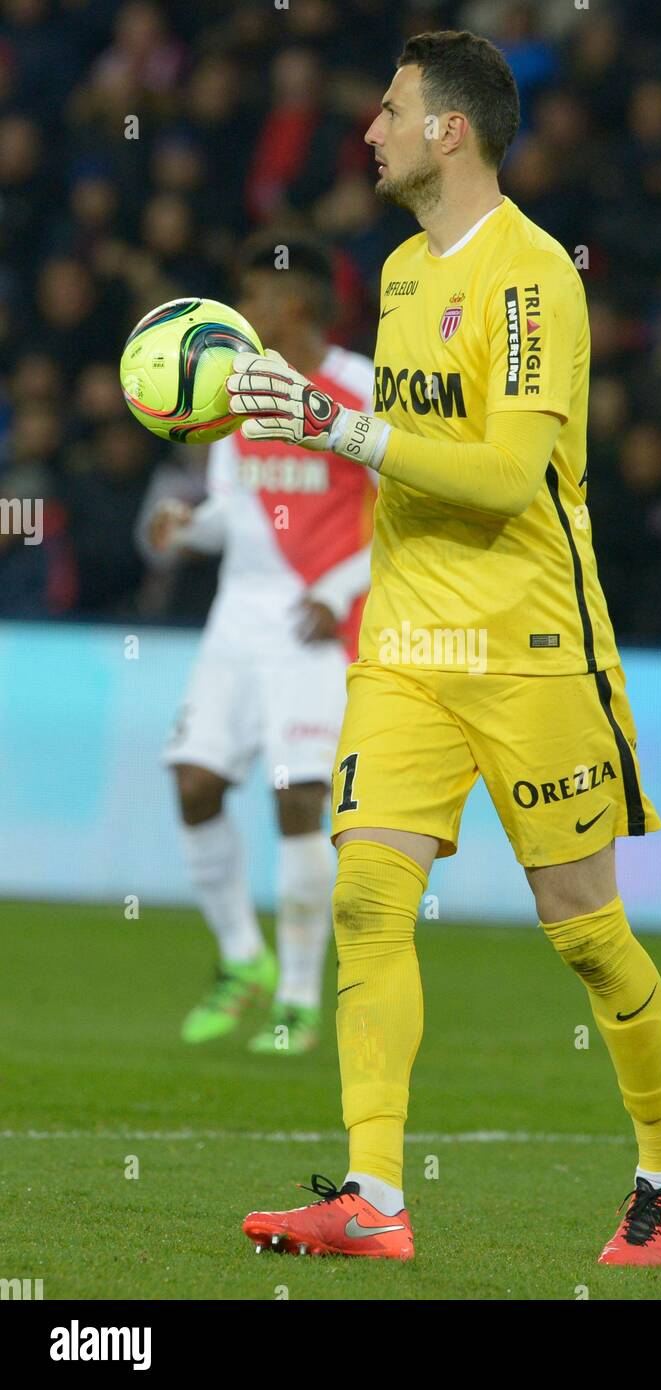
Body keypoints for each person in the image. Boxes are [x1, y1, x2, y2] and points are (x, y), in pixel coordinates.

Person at [229, 30, 661, 1266]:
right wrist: (317, 423)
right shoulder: (389, 274)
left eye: (388, 111)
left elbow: (501, 474)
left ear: (449, 130)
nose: (367, 131)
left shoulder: (536, 277)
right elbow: (401, 456)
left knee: (585, 932)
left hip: (535, 647)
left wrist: (349, 432)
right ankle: (375, 1195)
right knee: (369, 896)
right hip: (407, 647)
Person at [146, 237, 376, 1055]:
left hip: (315, 624)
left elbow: (410, 517)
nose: (242, 315)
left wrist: (338, 589)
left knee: (296, 798)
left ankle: (299, 998)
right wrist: (187, 525)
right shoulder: (233, 394)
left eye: (257, 298)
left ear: (302, 305)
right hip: (237, 619)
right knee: (196, 782)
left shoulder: (359, 387)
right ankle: (242, 958)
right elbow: (232, 512)